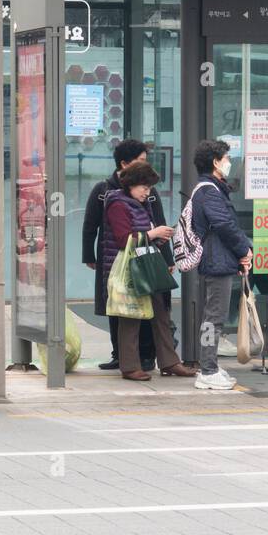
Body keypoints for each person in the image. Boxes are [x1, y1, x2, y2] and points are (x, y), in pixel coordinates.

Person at [83, 140, 174, 371]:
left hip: (146, 259)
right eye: (141, 161)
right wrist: (89, 255)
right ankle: (123, 357)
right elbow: (90, 226)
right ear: (124, 164)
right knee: (120, 309)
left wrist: (168, 258)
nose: (148, 189)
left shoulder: (146, 194)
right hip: (116, 260)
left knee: (151, 310)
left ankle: (150, 357)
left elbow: (157, 223)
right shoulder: (105, 192)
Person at [101, 163, 195, 381]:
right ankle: (130, 366)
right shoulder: (117, 204)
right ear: (131, 185)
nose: (147, 192)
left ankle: (170, 362)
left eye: (149, 187)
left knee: (161, 314)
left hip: (146, 264)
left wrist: (158, 237)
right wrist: (153, 233)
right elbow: (124, 239)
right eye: (144, 187)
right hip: (130, 269)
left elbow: (141, 234)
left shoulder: (138, 203)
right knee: (130, 316)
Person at [190, 139, 251, 391]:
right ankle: (207, 369)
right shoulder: (208, 191)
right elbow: (225, 225)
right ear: (215, 162)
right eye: (226, 158)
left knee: (214, 316)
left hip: (220, 259)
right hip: (217, 260)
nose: (229, 162)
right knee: (213, 317)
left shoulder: (212, 189)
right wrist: (244, 249)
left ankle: (210, 365)